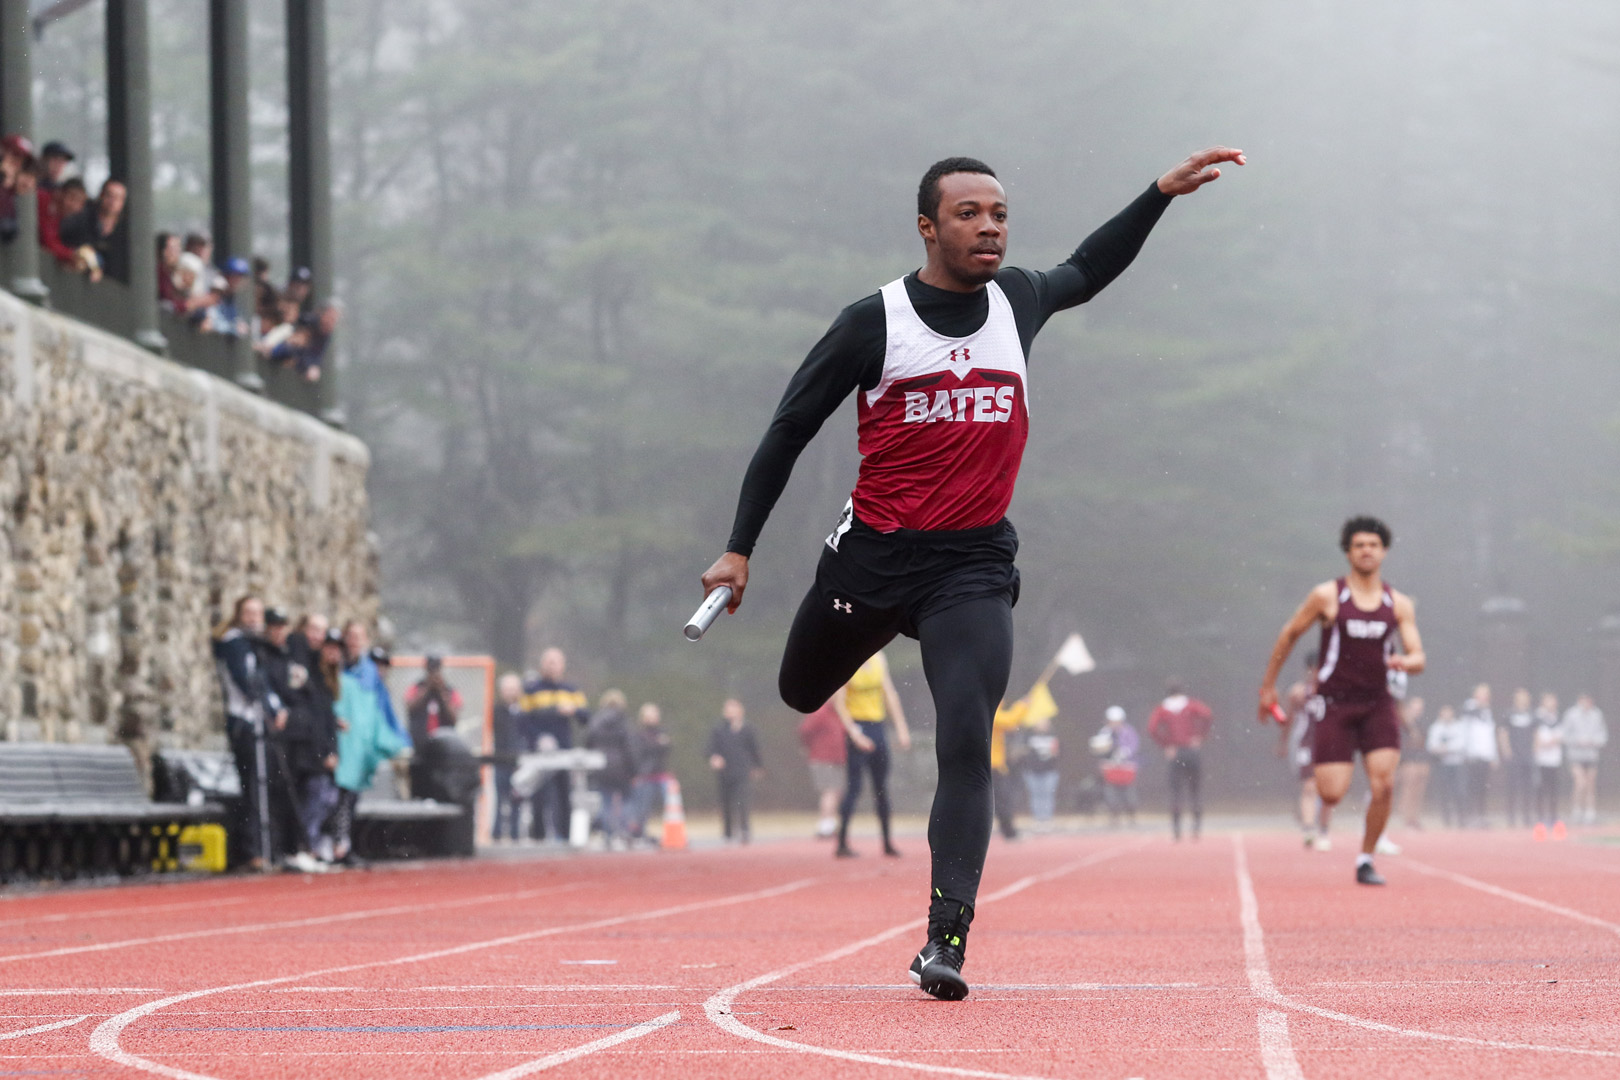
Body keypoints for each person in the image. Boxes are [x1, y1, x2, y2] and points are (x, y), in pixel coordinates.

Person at [698, 145, 1242, 999]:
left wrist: (1158, 195)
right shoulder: (872, 323)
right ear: (928, 227)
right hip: (873, 558)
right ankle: (846, 623)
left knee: (964, 739)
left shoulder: (1018, 300)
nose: (989, 227)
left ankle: (945, 939)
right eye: (968, 214)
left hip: (973, 565)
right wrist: (739, 549)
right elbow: (788, 430)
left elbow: (1087, 270)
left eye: (999, 215)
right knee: (800, 691)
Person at [1259, 516, 1426, 886]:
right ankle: (1329, 812)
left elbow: (1418, 657)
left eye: (1373, 544)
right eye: (1359, 544)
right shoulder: (1328, 596)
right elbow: (1289, 636)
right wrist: (1268, 686)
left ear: (1384, 551)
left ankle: (1365, 858)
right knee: (1331, 792)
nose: (1367, 550)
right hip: (1335, 705)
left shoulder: (1397, 603)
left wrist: (1405, 661)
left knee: (1383, 785)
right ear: (1348, 552)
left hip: (1377, 704)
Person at [211, 595, 284, 871]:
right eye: (249, 613)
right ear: (239, 614)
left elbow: (265, 682)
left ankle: (269, 847)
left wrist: (276, 708)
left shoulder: (257, 645)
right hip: (244, 722)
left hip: (260, 721)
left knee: (265, 786)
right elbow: (247, 682)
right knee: (253, 786)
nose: (254, 618)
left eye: (258, 613)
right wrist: (267, 706)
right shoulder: (234, 643)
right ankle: (253, 850)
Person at [330, 649, 410, 865]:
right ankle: (337, 847)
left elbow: (387, 722)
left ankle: (343, 846)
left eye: (383, 665)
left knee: (349, 802)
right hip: (347, 756)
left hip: (361, 758)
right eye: (375, 664)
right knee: (340, 802)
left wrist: (401, 744)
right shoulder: (354, 687)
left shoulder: (379, 691)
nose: (379, 669)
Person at [832, 650, 911, 858]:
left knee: (881, 788)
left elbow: (890, 694)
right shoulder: (846, 660)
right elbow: (839, 702)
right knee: (854, 787)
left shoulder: (879, 659)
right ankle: (841, 843)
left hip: (877, 728)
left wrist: (902, 729)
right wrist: (855, 735)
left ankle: (887, 842)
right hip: (857, 727)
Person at [283, 628, 345, 868]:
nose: (332, 652)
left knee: (326, 800)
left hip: (323, 750)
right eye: (327, 646)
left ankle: (313, 847)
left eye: (336, 648)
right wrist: (324, 753)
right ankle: (306, 848)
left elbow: (326, 720)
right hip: (310, 753)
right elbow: (316, 721)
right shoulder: (310, 673)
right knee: (315, 801)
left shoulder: (328, 680)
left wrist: (334, 750)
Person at [254, 607, 310, 864]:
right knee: (277, 791)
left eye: (282, 626)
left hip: (296, 732)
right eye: (275, 626)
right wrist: (278, 710)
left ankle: (294, 847)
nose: (279, 632)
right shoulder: (263, 655)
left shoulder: (292, 654)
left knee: (294, 790)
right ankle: (278, 848)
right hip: (274, 733)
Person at [521, 648, 589, 842]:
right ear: (542, 665)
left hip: (563, 749)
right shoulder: (532, 689)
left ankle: (564, 835)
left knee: (563, 792)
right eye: (549, 662)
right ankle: (538, 836)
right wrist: (538, 737)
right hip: (539, 750)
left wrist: (573, 710)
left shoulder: (570, 689)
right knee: (538, 793)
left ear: (563, 665)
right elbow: (523, 721)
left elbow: (585, 717)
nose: (552, 666)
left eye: (556, 662)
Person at [1278, 655, 1332, 849]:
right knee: (1309, 786)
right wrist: (1283, 742)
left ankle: (1324, 829)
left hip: (1330, 743)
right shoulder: (1298, 692)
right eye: (1312, 669)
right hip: (1307, 743)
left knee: (1328, 789)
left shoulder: (1335, 691)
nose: (1315, 673)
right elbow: (1288, 720)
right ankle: (1309, 828)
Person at [1148, 682, 1213, 841]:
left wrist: (1166, 744)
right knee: (1195, 790)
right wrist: (1200, 736)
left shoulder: (1163, 709)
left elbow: (1152, 728)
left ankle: (1177, 830)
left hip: (1175, 752)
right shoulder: (1191, 705)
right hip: (1191, 751)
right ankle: (1196, 828)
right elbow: (1207, 715)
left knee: (1176, 791)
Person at [585, 689, 638, 849]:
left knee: (606, 802)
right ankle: (624, 833)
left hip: (601, 766)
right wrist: (634, 770)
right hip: (621, 767)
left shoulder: (596, 721)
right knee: (626, 801)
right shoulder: (623, 721)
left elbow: (588, 742)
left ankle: (608, 835)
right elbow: (630, 747)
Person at [405, 654, 463, 795]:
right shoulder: (417, 687)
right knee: (419, 786)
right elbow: (410, 707)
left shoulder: (448, 690)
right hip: (420, 747)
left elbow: (454, 717)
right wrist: (427, 688)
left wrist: (441, 692)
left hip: (443, 750)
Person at [706, 698, 762, 844]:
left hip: (742, 770)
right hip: (724, 772)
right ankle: (728, 832)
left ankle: (744, 830)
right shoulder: (718, 729)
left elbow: (755, 749)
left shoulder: (748, 729)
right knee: (725, 802)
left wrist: (757, 766)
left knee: (742, 801)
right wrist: (714, 757)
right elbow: (710, 748)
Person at [797, 699, 847, 840]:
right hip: (823, 758)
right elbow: (805, 730)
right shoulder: (820, 711)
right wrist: (809, 746)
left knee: (836, 791)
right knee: (829, 791)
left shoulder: (839, 712)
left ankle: (830, 823)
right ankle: (825, 825)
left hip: (837, 758)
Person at [59, 178, 125, 277]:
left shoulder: (123, 233)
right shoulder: (82, 218)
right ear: (101, 196)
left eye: (118, 198)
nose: (113, 201)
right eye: (109, 195)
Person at [629, 702, 673, 845]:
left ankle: (671, 834)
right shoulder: (638, 734)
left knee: (671, 805)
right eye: (649, 715)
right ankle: (639, 833)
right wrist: (658, 744)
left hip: (661, 775)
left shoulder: (662, 732)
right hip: (646, 776)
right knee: (643, 808)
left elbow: (667, 749)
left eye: (654, 715)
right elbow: (641, 752)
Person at [490, 673, 527, 842]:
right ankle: (496, 833)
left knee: (516, 799)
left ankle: (515, 834)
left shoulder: (523, 712)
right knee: (500, 798)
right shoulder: (496, 711)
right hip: (500, 761)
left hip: (518, 762)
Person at [1091, 706, 1139, 829]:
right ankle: (1114, 817)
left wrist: (1125, 752)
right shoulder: (1104, 732)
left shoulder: (1128, 731)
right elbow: (1099, 749)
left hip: (1126, 769)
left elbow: (1134, 745)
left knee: (1129, 795)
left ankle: (1131, 816)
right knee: (1111, 794)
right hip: (1110, 769)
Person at [1563, 692, 1607, 826]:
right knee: (1580, 782)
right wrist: (1577, 741)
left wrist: (1593, 741)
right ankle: (1577, 810)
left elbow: (1603, 735)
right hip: (1576, 755)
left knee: (1590, 784)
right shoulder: (1571, 714)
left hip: (1591, 755)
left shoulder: (1596, 714)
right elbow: (1564, 734)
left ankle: (1590, 811)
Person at [1459, 684, 1497, 827]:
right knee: (1471, 787)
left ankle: (1481, 816)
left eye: (1486, 693)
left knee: (1483, 787)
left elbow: (1489, 734)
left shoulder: (1488, 711)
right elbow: (1465, 728)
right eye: (1482, 693)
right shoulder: (1469, 707)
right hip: (1472, 755)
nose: (1485, 696)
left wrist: (1494, 756)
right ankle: (1470, 816)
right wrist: (1465, 751)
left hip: (1485, 755)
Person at [1499, 688, 1537, 829]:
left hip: (1527, 756)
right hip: (1514, 756)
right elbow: (1503, 732)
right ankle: (1511, 817)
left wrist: (1534, 750)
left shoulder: (1532, 715)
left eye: (1525, 698)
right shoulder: (1509, 714)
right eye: (1520, 698)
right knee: (1512, 788)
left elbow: (1536, 733)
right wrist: (1506, 750)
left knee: (1528, 788)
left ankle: (1527, 817)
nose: (1523, 701)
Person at [1425, 704, 1468, 827]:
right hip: (1442, 765)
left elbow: (1461, 745)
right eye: (1445, 713)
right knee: (1444, 793)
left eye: (1449, 712)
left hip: (1457, 764)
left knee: (1460, 792)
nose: (1447, 715)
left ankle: (1461, 819)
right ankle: (1447, 820)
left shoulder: (1459, 726)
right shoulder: (1436, 727)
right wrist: (1445, 749)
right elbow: (1431, 746)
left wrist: (1445, 748)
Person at [1395, 696, 1431, 830]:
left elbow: (1425, 742)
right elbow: (1404, 744)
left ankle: (1415, 817)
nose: (1418, 711)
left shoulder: (1422, 724)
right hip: (1409, 762)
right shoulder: (1404, 725)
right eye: (1415, 708)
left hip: (1422, 762)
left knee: (1419, 792)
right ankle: (1406, 818)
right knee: (1408, 791)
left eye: (1420, 708)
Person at [1020, 713, 1061, 830]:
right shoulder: (1028, 736)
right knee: (1035, 795)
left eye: (1045, 723)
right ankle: (1038, 819)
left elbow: (1061, 753)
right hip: (1032, 771)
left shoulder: (1054, 736)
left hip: (1049, 771)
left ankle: (1047, 819)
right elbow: (1023, 753)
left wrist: (1054, 754)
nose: (1043, 726)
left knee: (1048, 795)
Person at [1532, 692, 1565, 830]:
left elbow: (1560, 736)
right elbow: (1535, 736)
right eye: (1547, 700)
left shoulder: (1557, 718)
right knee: (1541, 789)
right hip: (1541, 760)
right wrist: (1540, 744)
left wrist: (1552, 741)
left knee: (1553, 789)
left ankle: (1553, 817)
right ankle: (1540, 818)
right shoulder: (1538, 717)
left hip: (1554, 759)